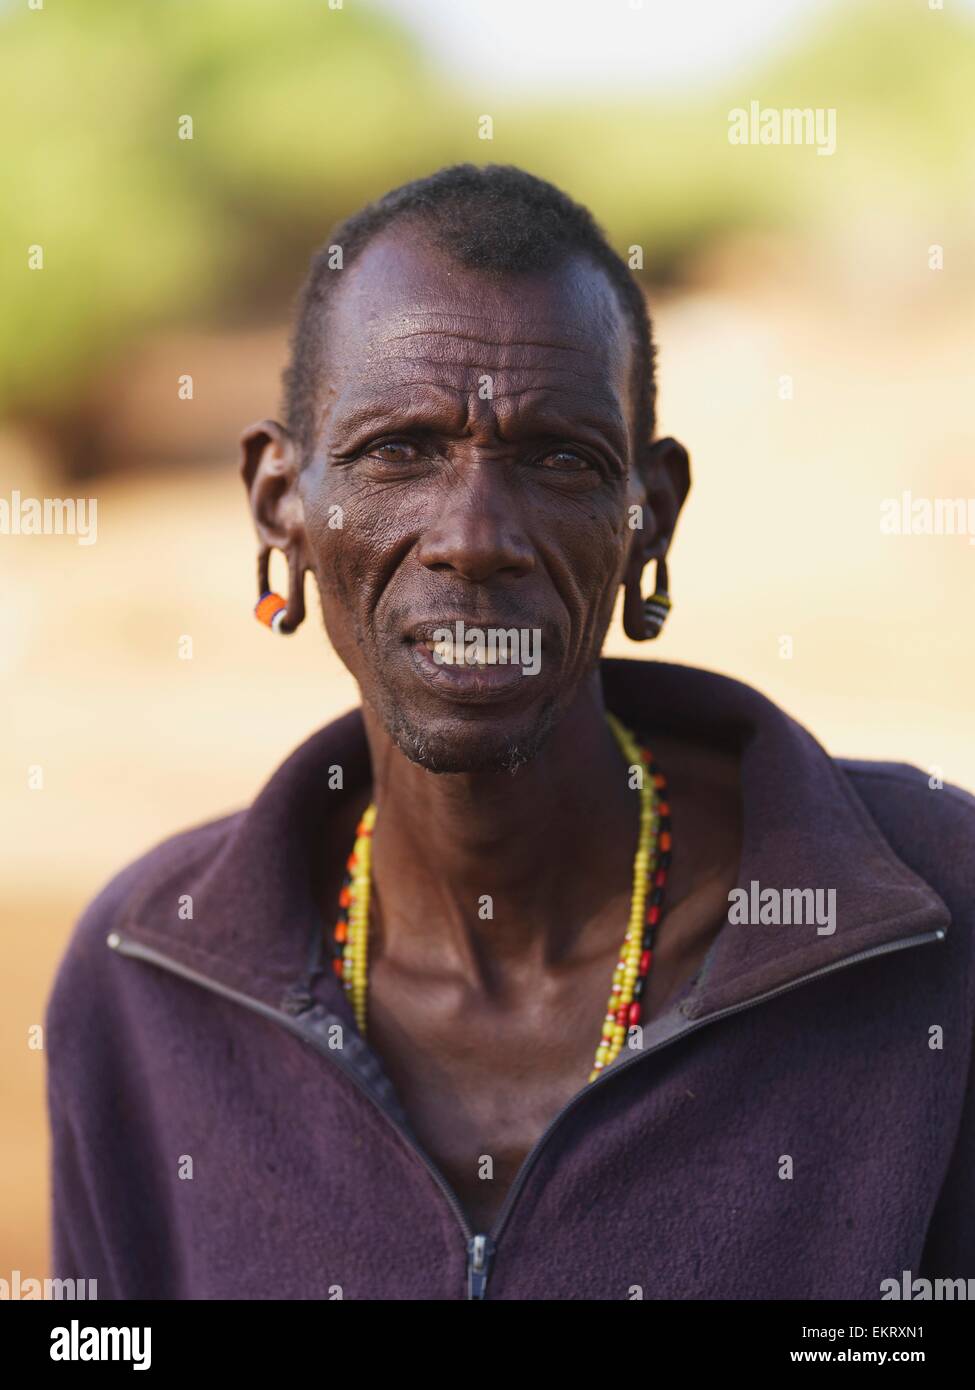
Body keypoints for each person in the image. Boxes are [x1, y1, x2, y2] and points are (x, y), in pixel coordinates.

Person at [45, 164, 975, 1300]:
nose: (476, 537)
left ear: (650, 516)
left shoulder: (930, 914)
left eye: (559, 460)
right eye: (399, 450)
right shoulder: (148, 976)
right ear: (280, 501)